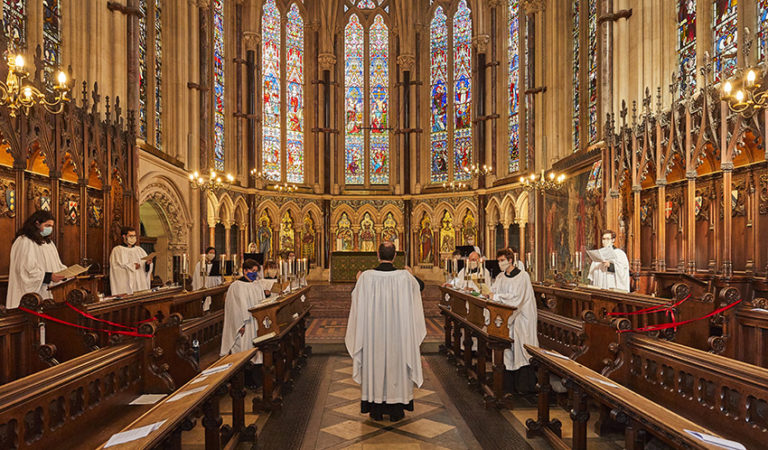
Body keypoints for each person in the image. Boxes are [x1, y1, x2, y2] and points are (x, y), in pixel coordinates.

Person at [345, 241, 427, 421]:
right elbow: (420, 287)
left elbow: (355, 295)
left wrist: (358, 282)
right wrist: (413, 275)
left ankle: (375, 409)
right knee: (397, 365)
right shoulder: (405, 277)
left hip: (374, 337)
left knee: (374, 364)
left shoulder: (366, 278)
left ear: (377, 255)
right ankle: (396, 410)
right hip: (399, 335)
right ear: (395, 256)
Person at [489, 247, 538, 393]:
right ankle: (507, 386)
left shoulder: (523, 276)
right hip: (506, 319)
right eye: (498, 261)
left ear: (510, 260)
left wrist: (497, 297)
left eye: (502, 260)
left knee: (522, 350)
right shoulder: (500, 277)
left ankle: (524, 387)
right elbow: (493, 291)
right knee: (507, 352)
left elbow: (517, 299)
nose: (500, 263)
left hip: (522, 319)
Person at [6, 210, 67, 309]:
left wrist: (68, 273)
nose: (50, 229)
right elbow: (24, 271)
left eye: (51, 226)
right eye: (47, 226)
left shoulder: (48, 243)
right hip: (31, 297)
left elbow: (57, 265)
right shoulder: (24, 241)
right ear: (37, 224)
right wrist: (48, 277)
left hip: (47, 294)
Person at [220, 259, 265, 389]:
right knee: (244, 351)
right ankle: (244, 382)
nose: (254, 274)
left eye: (256, 271)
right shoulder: (236, 286)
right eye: (252, 271)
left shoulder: (257, 285)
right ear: (245, 270)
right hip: (244, 325)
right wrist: (240, 325)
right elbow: (234, 307)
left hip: (255, 323)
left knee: (256, 352)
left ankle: (256, 382)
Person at [109, 226, 153, 296]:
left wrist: (147, 264)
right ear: (124, 236)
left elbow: (146, 270)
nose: (133, 238)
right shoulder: (117, 250)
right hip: (125, 286)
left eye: (134, 236)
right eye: (131, 236)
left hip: (139, 285)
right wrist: (132, 266)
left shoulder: (139, 250)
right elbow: (115, 269)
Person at [192, 247, 224, 311]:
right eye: (210, 253)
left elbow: (218, 277)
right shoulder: (199, 264)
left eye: (213, 253)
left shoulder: (215, 264)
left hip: (213, 287)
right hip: (203, 286)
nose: (212, 254)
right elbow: (197, 277)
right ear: (206, 254)